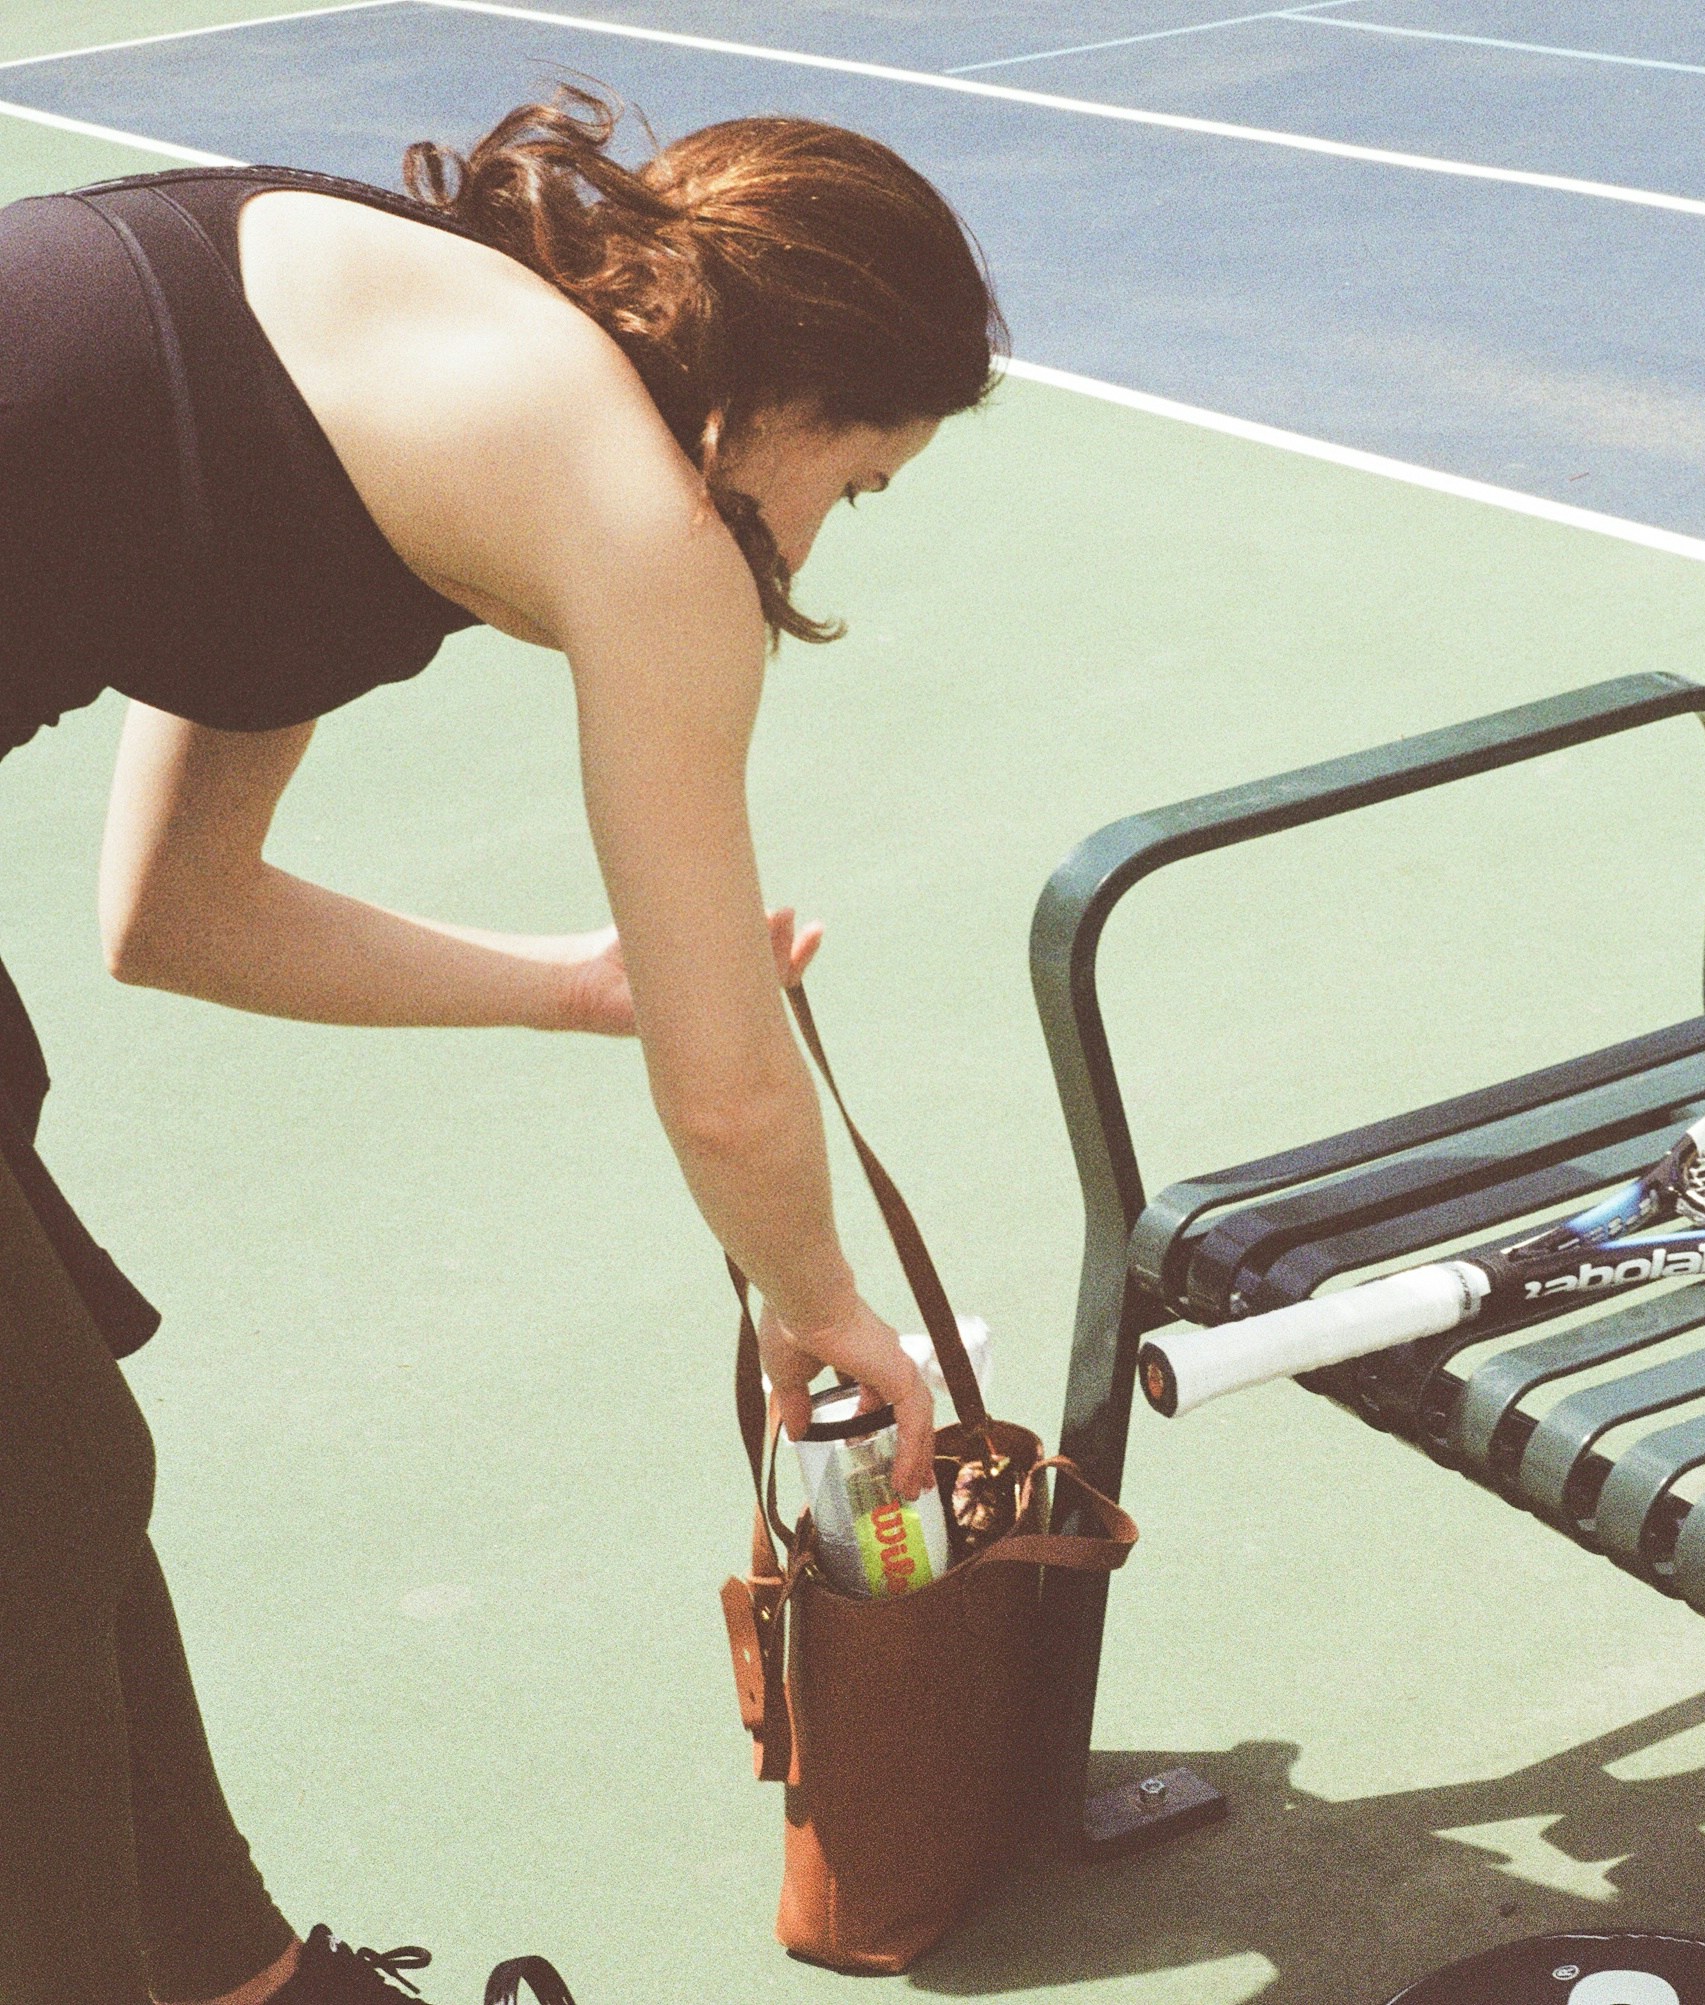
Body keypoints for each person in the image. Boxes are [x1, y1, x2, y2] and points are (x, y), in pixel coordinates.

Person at [0, 89, 1003, 2005]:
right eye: (855, 480)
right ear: (783, 390)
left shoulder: (398, 368)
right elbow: (731, 1090)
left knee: (47, 1464)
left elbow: (174, 916)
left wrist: (575, 977)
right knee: (15, 1492)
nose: (813, 535)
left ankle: (247, 1981)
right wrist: (821, 1308)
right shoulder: (634, 511)